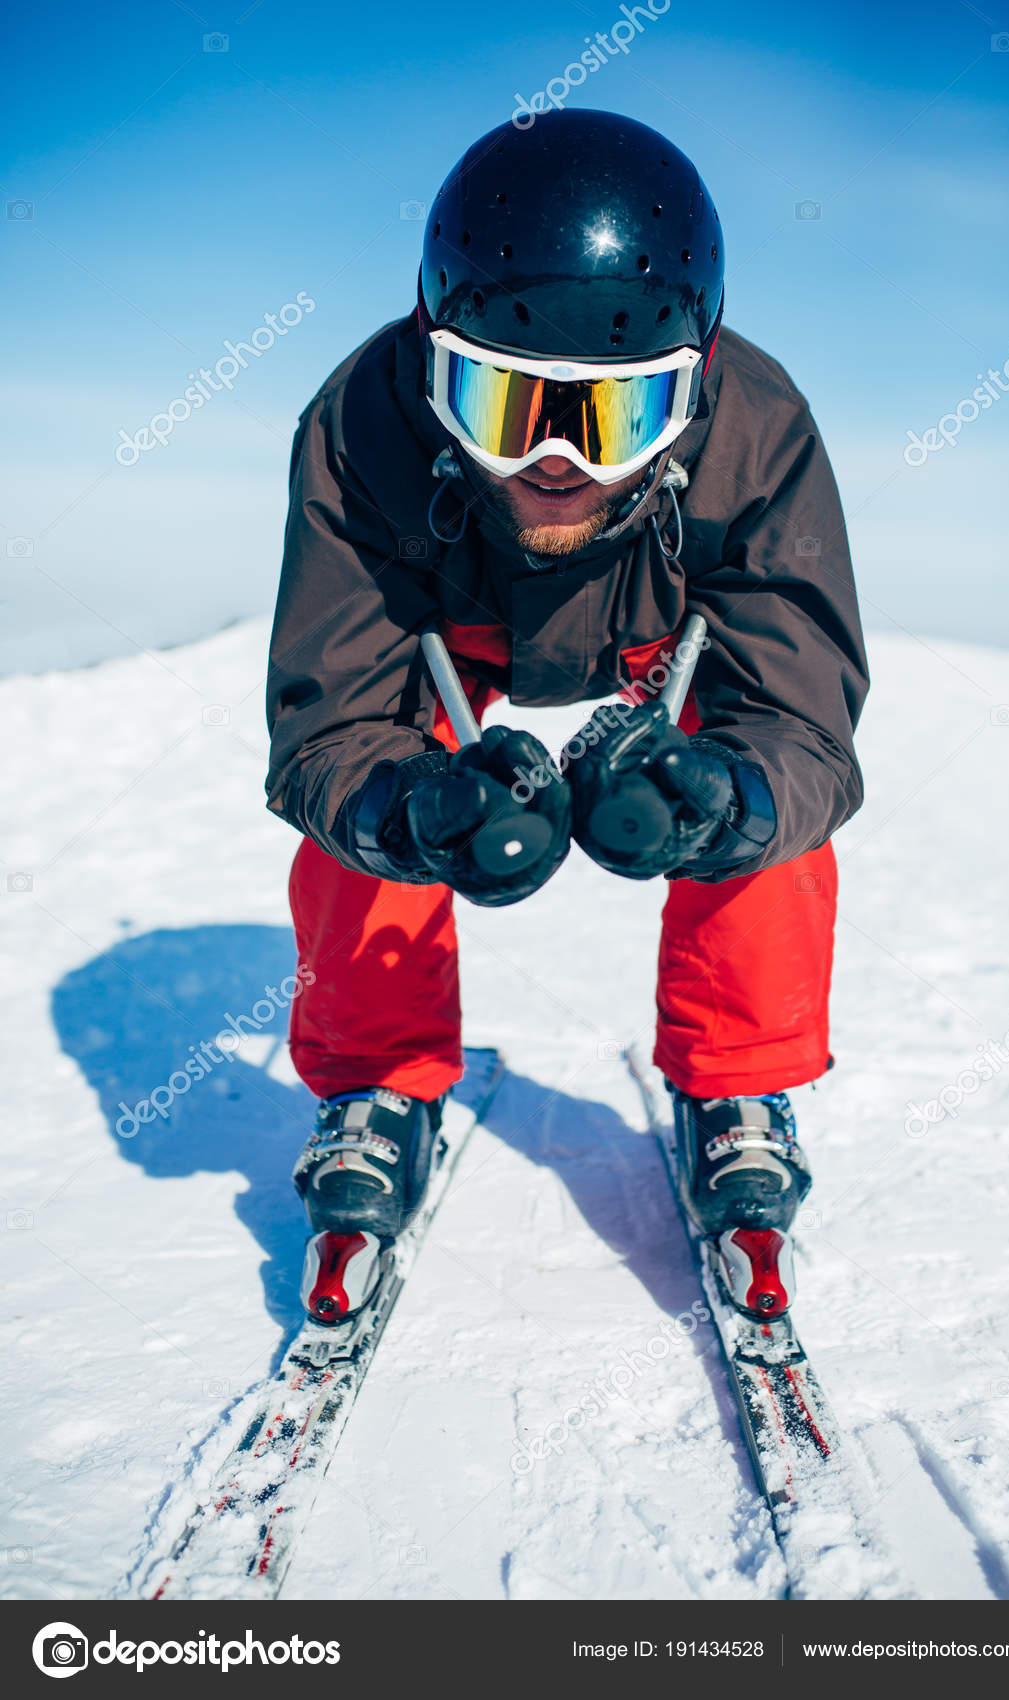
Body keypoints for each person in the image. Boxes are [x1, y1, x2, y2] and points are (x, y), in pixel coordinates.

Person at [265, 108, 868, 1323]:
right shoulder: (361, 430)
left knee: (752, 810)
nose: (557, 463)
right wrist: (407, 808)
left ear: (689, 397)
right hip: (456, 610)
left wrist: (729, 798)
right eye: (501, 406)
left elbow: (801, 713)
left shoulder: (759, 435)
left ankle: (736, 1083)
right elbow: (330, 719)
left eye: (615, 418)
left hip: (656, 607)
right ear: (433, 364)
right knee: (389, 802)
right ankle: (380, 1078)